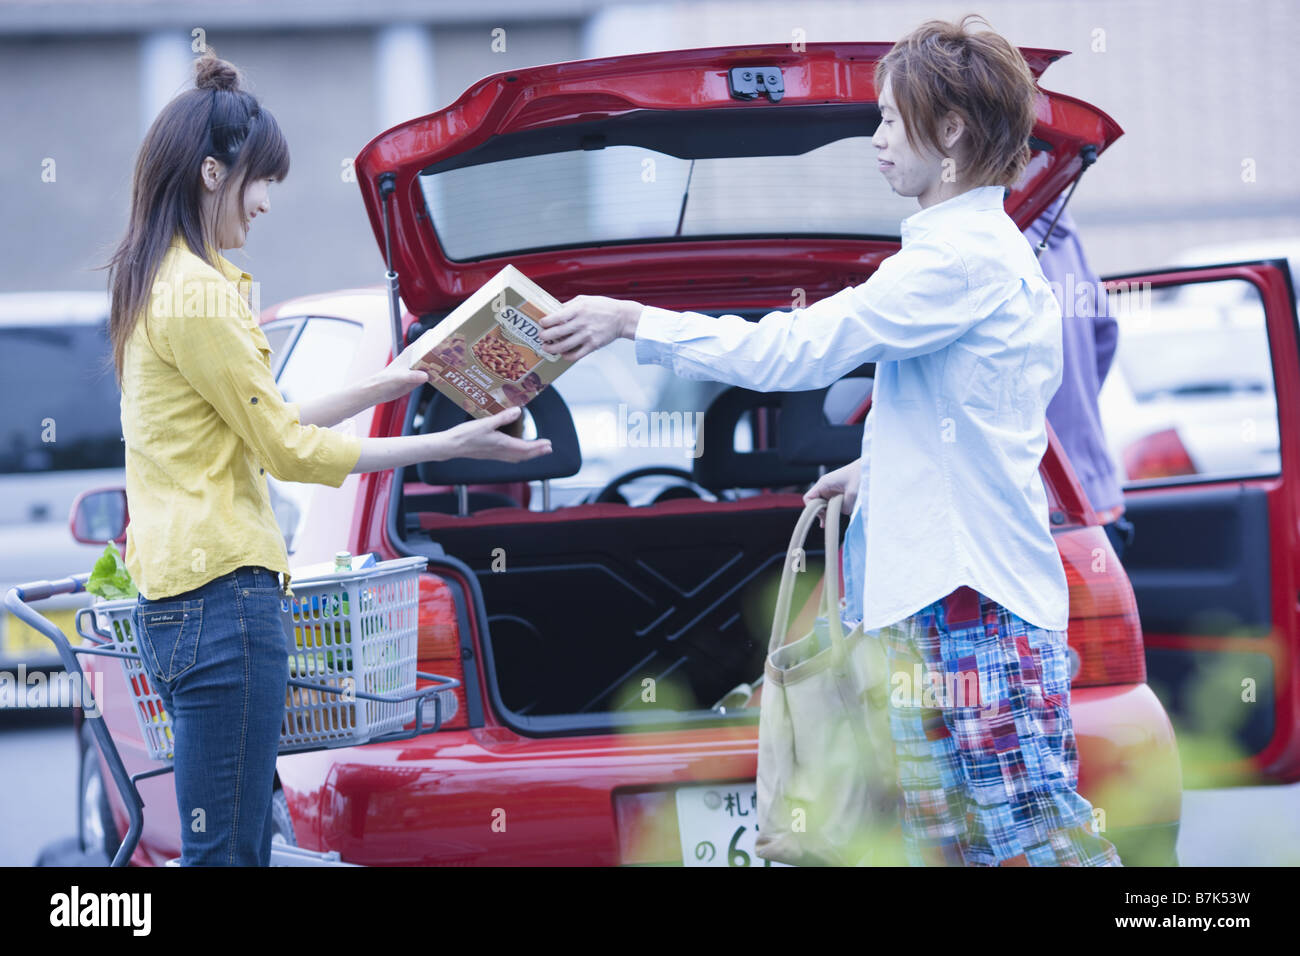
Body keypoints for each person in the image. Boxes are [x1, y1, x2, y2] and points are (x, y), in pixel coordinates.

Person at [536, 16, 1121, 866]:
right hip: (947, 604)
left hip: (973, 610)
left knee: (1029, 844)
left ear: (950, 129)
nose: (875, 138)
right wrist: (871, 470)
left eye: (890, 118)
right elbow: (970, 419)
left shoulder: (955, 261)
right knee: (959, 847)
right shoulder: (967, 253)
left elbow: (795, 350)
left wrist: (633, 320)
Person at [105, 51, 551, 866]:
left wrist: (393, 378)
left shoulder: (155, 281)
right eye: (260, 181)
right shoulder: (203, 294)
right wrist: (446, 443)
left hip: (179, 601)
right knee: (229, 855)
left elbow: (264, 420)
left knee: (219, 849)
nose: (267, 204)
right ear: (213, 174)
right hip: (225, 608)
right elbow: (287, 449)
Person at [1024, 195, 1135, 561]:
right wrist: (1074, 400)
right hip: (1096, 494)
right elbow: (1105, 328)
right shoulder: (1061, 225)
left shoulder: (995, 237)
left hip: (1038, 506)